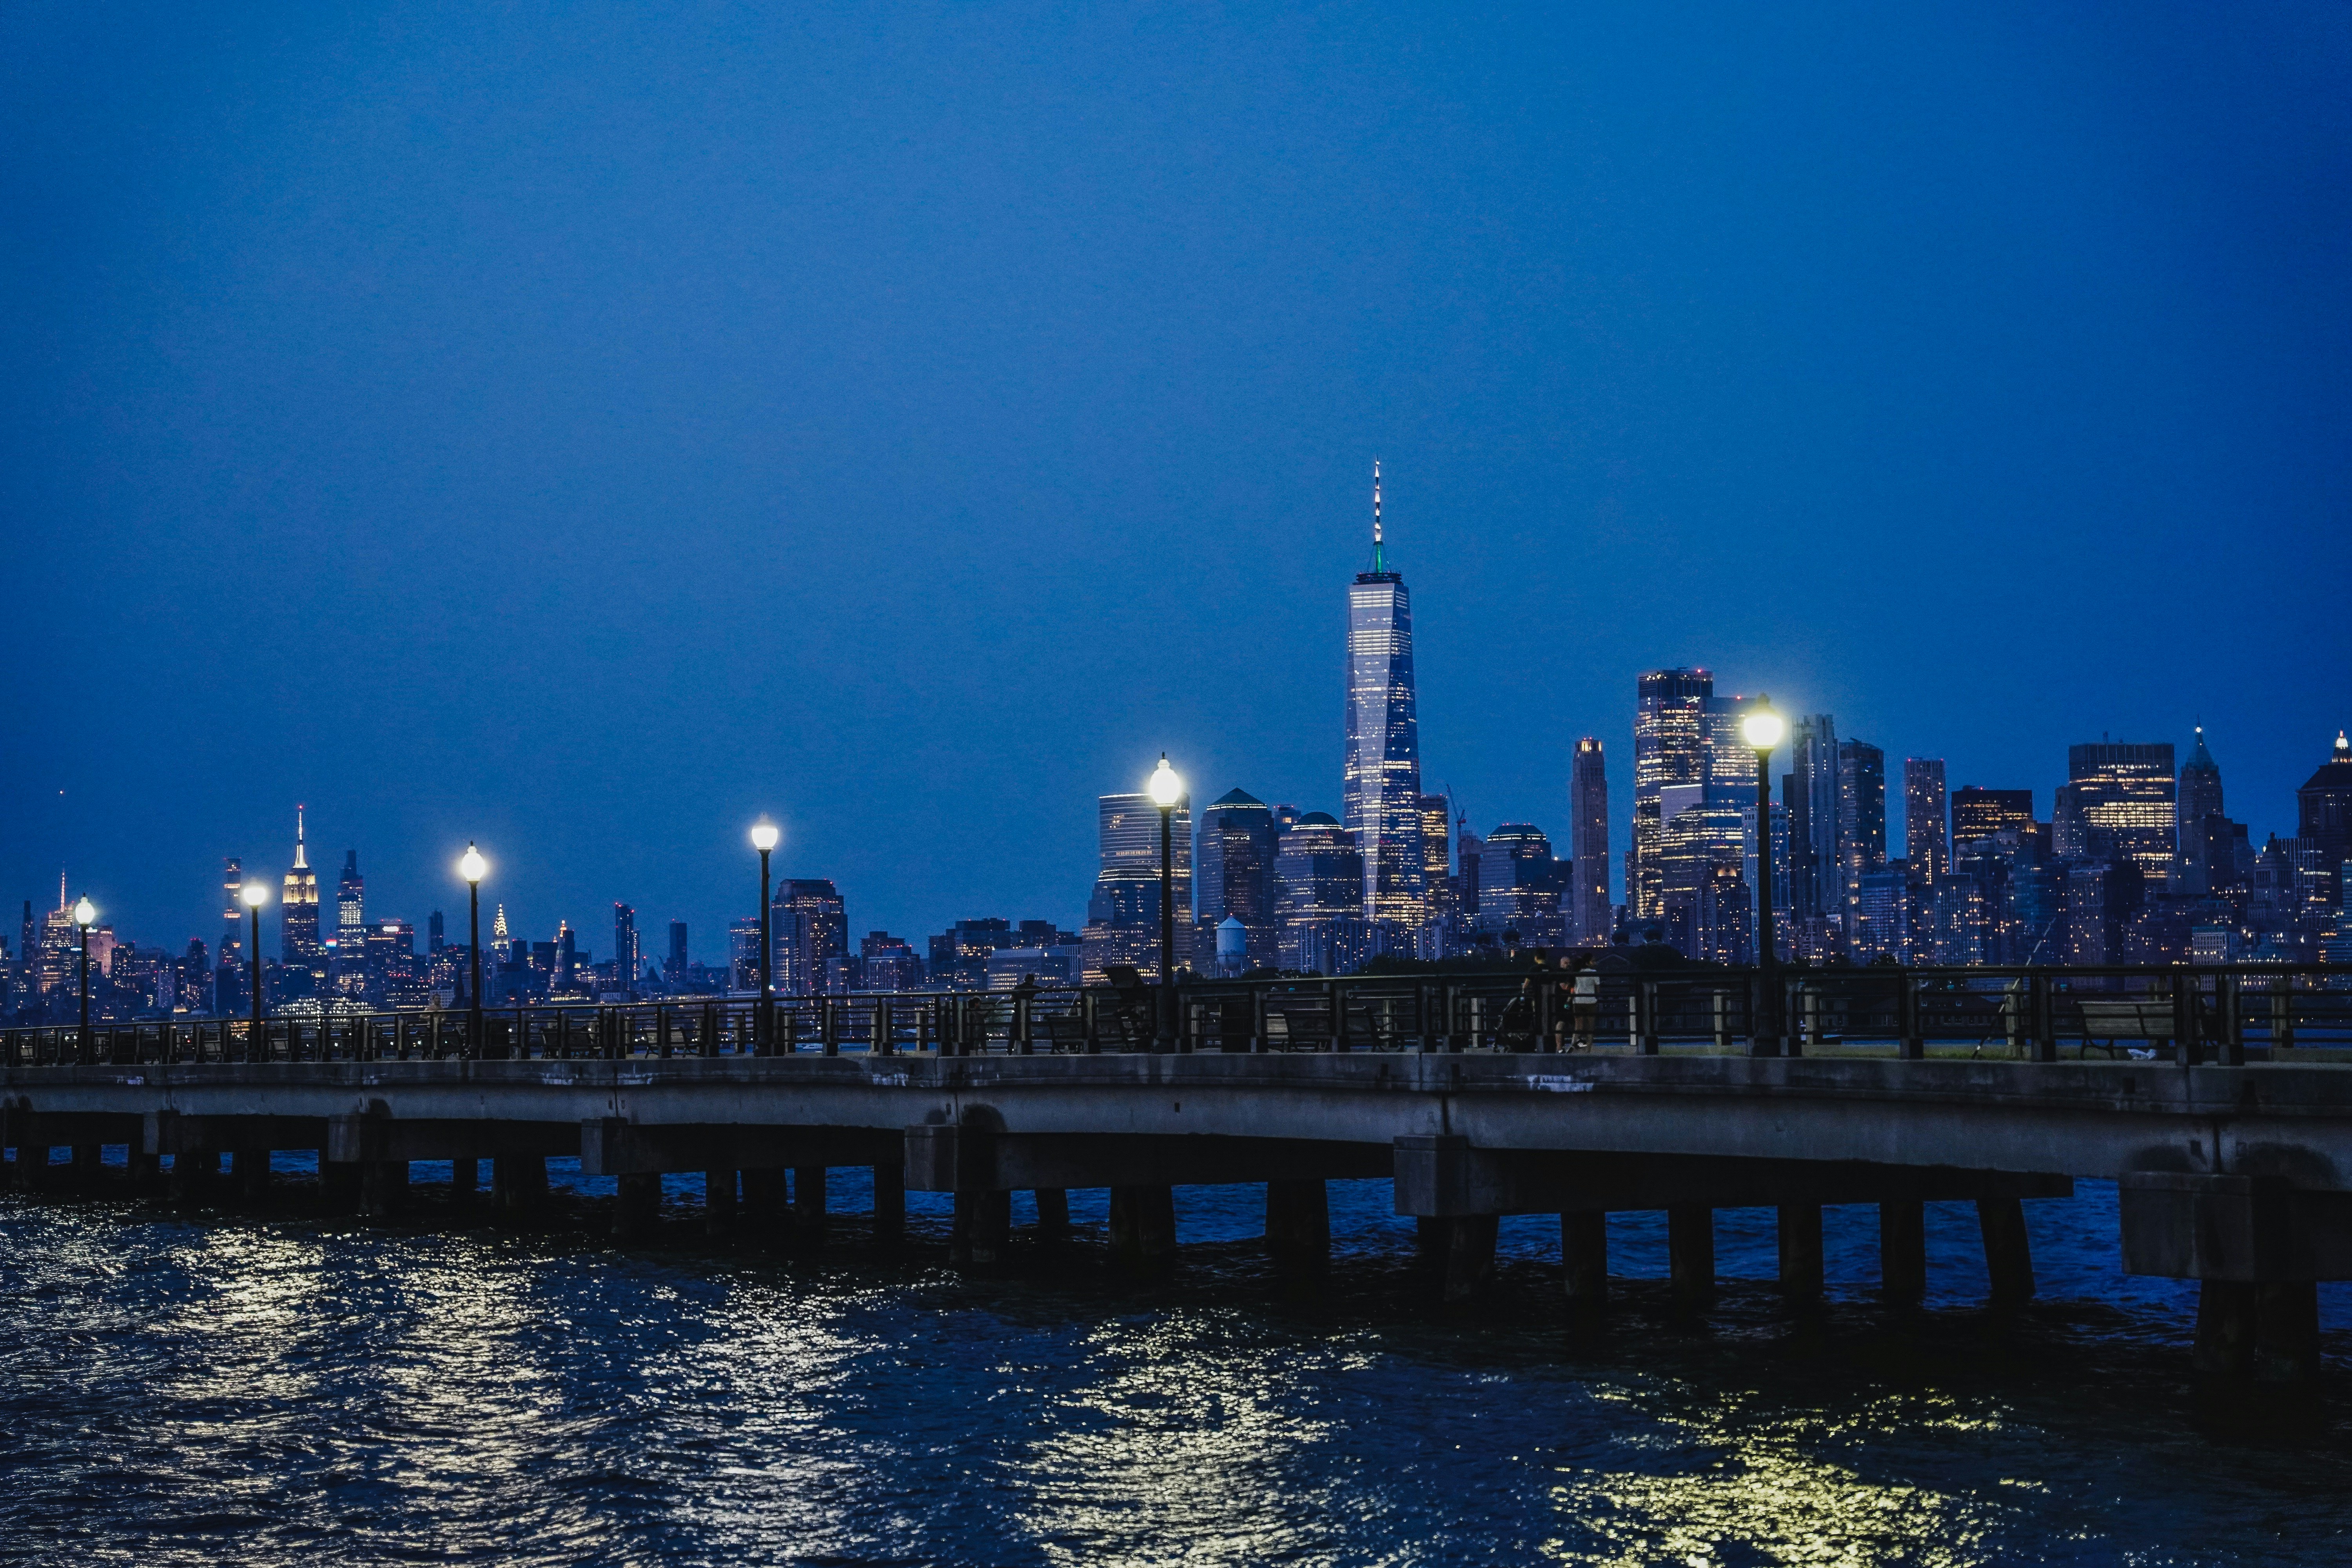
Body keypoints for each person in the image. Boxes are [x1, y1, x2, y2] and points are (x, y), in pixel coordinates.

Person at [1497, 976, 1539, 1051]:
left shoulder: (1532, 1000)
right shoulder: (1517, 999)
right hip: (1516, 1024)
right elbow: (1507, 1014)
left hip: (1526, 1025)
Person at [1569, 955, 1601, 1051]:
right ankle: (1588, 1050)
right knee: (1590, 1028)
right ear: (1588, 963)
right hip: (1591, 1002)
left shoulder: (1576, 973)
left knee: (1578, 1027)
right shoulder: (1594, 973)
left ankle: (1574, 1046)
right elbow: (1598, 990)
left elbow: (1573, 988)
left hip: (1578, 1002)